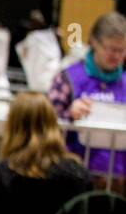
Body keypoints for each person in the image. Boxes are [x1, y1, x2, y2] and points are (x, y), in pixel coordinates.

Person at [47, 11, 126, 180]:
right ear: (94, 43)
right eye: (111, 49)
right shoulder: (67, 78)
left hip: (119, 179)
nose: (117, 56)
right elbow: (45, 122)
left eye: (122, 50)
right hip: (74, 177)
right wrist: (68, 115)